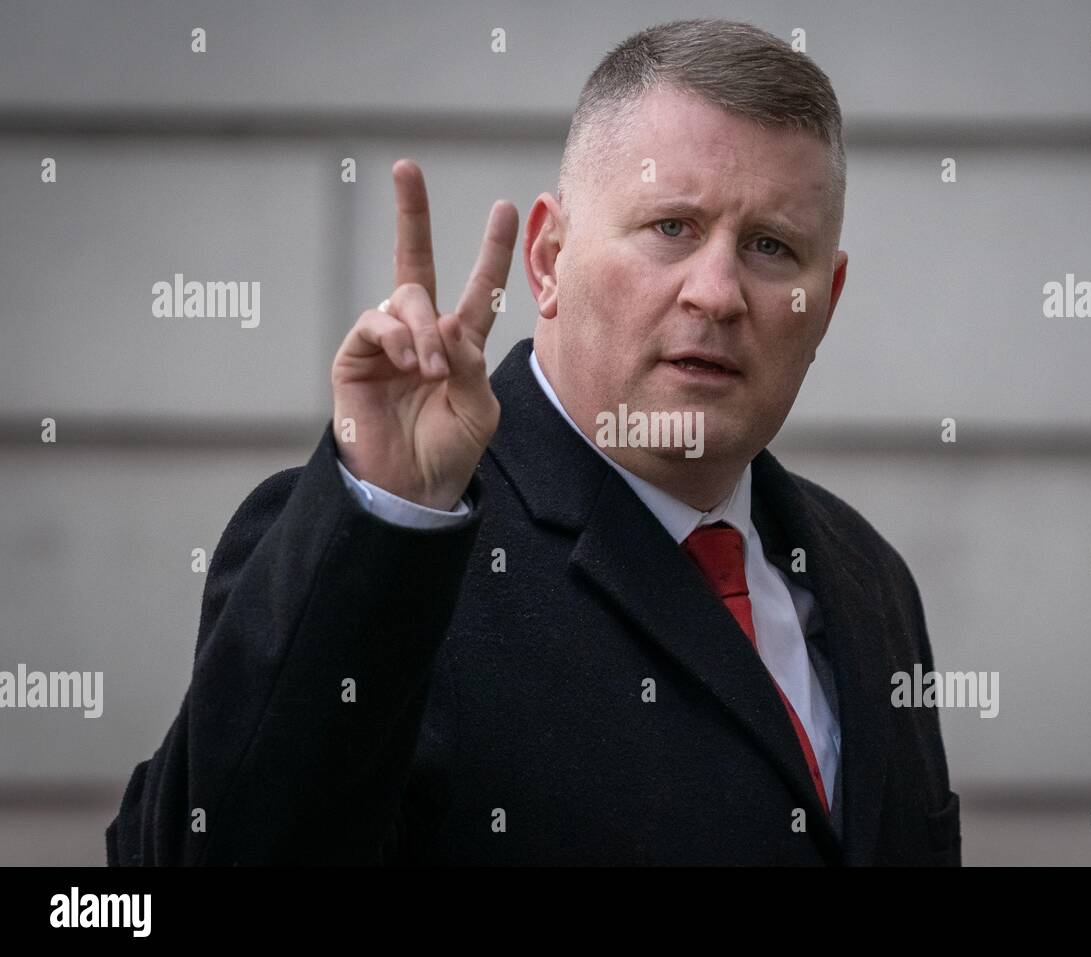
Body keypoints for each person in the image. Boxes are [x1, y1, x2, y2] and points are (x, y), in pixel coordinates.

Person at [107, 17, 959, 866]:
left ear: (827, 300)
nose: (718, 292)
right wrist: (387, 523)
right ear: (549, 260)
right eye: (673, 228)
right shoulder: (391, 551)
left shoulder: (866, 576)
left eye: (771, 247)